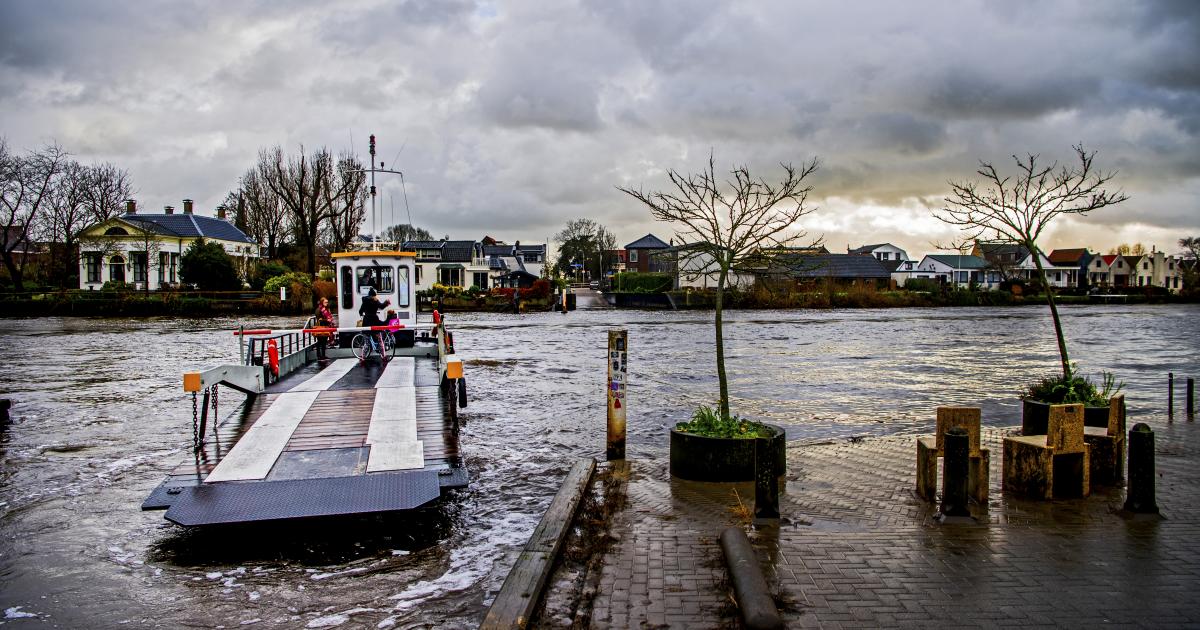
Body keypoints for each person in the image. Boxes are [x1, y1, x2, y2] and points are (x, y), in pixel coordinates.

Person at [358, 288, 391, 363]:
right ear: (374, 295)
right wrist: (387, 302)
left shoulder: (365, 301)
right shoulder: (375, 300)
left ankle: (362, 358)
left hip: (366, 322)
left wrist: (363, 316)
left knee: (366, 342)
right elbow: (382, 306)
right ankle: (384, 357)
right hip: (374, 321)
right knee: (380, 340)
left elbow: (360, 311)